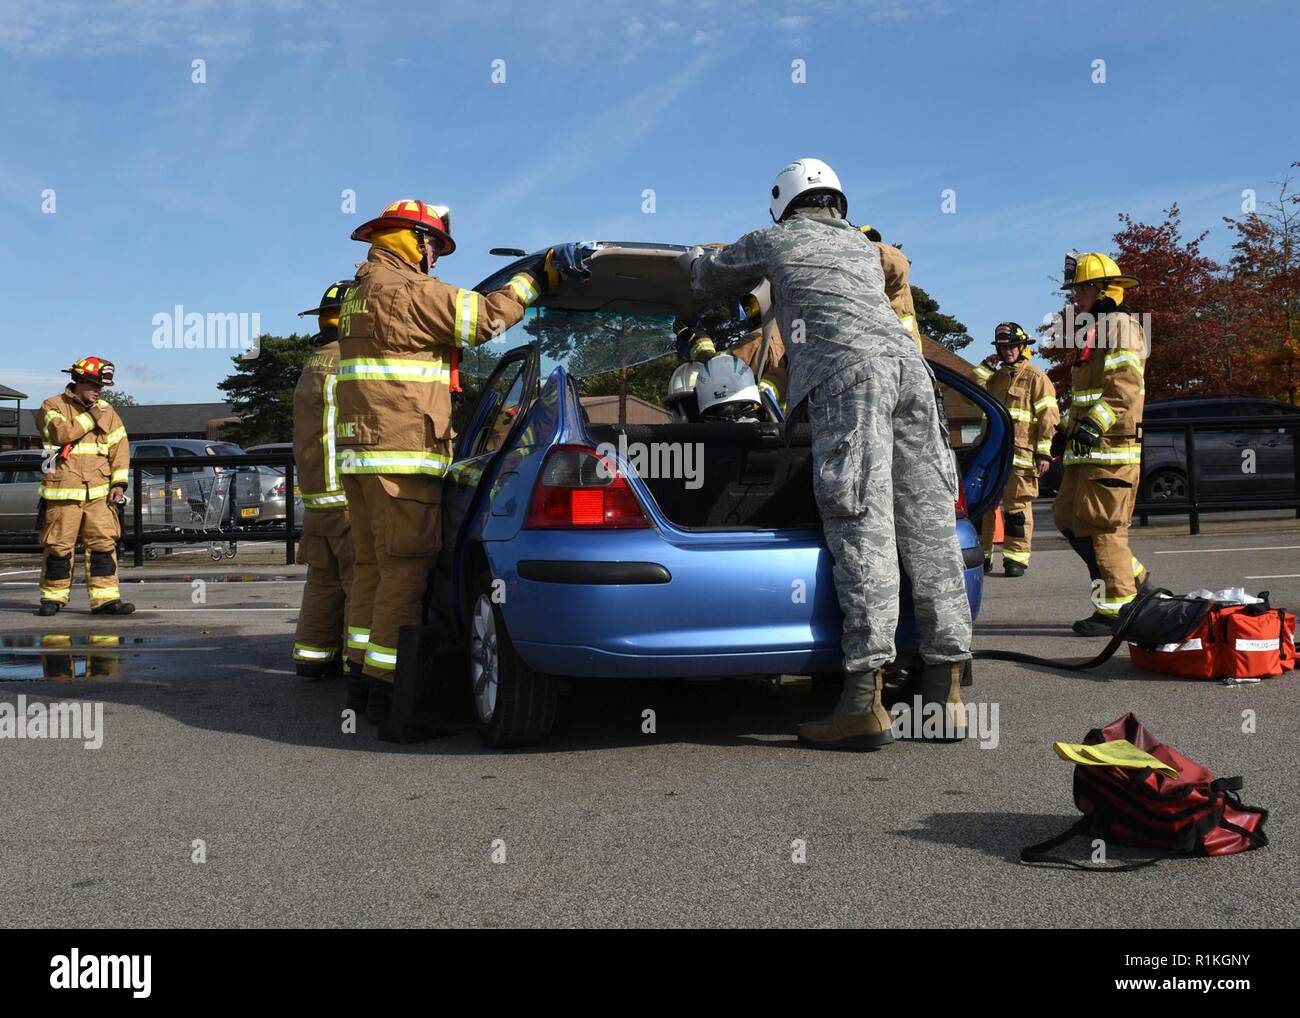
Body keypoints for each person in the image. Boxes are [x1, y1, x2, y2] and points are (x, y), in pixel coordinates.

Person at [680, 158, 971, 750]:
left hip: (849, 378)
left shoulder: (773, 239)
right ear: (838, 201)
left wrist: (695, 256)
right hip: (914, 374)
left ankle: (862, 704)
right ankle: (947, 698)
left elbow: (706, 276)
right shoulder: (865, 249)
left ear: (783, 203)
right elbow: (896, 269)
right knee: (931, 528)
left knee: (863, 526)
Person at [336, 199, 572, 722]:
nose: (436, 259)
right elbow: (486, 318)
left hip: (362, 457)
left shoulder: (361, 291)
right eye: (433, 245)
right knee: (404, 569)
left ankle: (359, 680)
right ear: (410, 239)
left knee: (373, 567)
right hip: (402, 455)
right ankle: (392, 693)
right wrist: (534, 278)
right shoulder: (406, 289)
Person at [1051, 251, 1151, 636]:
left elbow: (1125, 386)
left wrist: (1094, 424)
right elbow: (1084, 394)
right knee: (1067, 518)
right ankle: (1134, 575)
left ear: (1104, 290)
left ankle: (1117, 612)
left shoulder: (1123, 326)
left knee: (1102, 527)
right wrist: (1064, 428)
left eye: (1081, 290)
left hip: (1111, 448)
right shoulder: (1093, 331)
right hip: (1085, 450)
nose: (1075, 299)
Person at [291, 280, 356, 687]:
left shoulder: (314, 363)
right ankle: (359, 665)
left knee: (323, 580)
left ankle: (314, 657)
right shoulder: (351, 362)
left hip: (318, 497)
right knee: (361, 578)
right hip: (349, 494)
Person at [36, 357, 134, 616]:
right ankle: (52, 599)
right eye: (94, 384)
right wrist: (91, 417)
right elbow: (60, 434)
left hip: (99, 494)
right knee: (58, 547)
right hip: (63, 492)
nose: (99, 390)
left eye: (102, 386)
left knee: (103, 546)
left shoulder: (108, 411)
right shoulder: (52, 406)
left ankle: (106, 600)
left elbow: (120, 449)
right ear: (78, 381)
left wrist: (119, 484)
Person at [973, 322, 1059, 576]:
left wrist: (1043, 451)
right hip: (992, 454)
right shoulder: (995, 378)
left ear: (1021, 347)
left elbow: (1049, 417)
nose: (1007, 351)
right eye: (1003, 347)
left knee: (1017, 509)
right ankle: (982, 557)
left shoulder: (1036, 378)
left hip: (1022, 455)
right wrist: (983, 370)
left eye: (1011, 346)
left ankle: (1016, 559)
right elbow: (970, 396)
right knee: (984, 508)